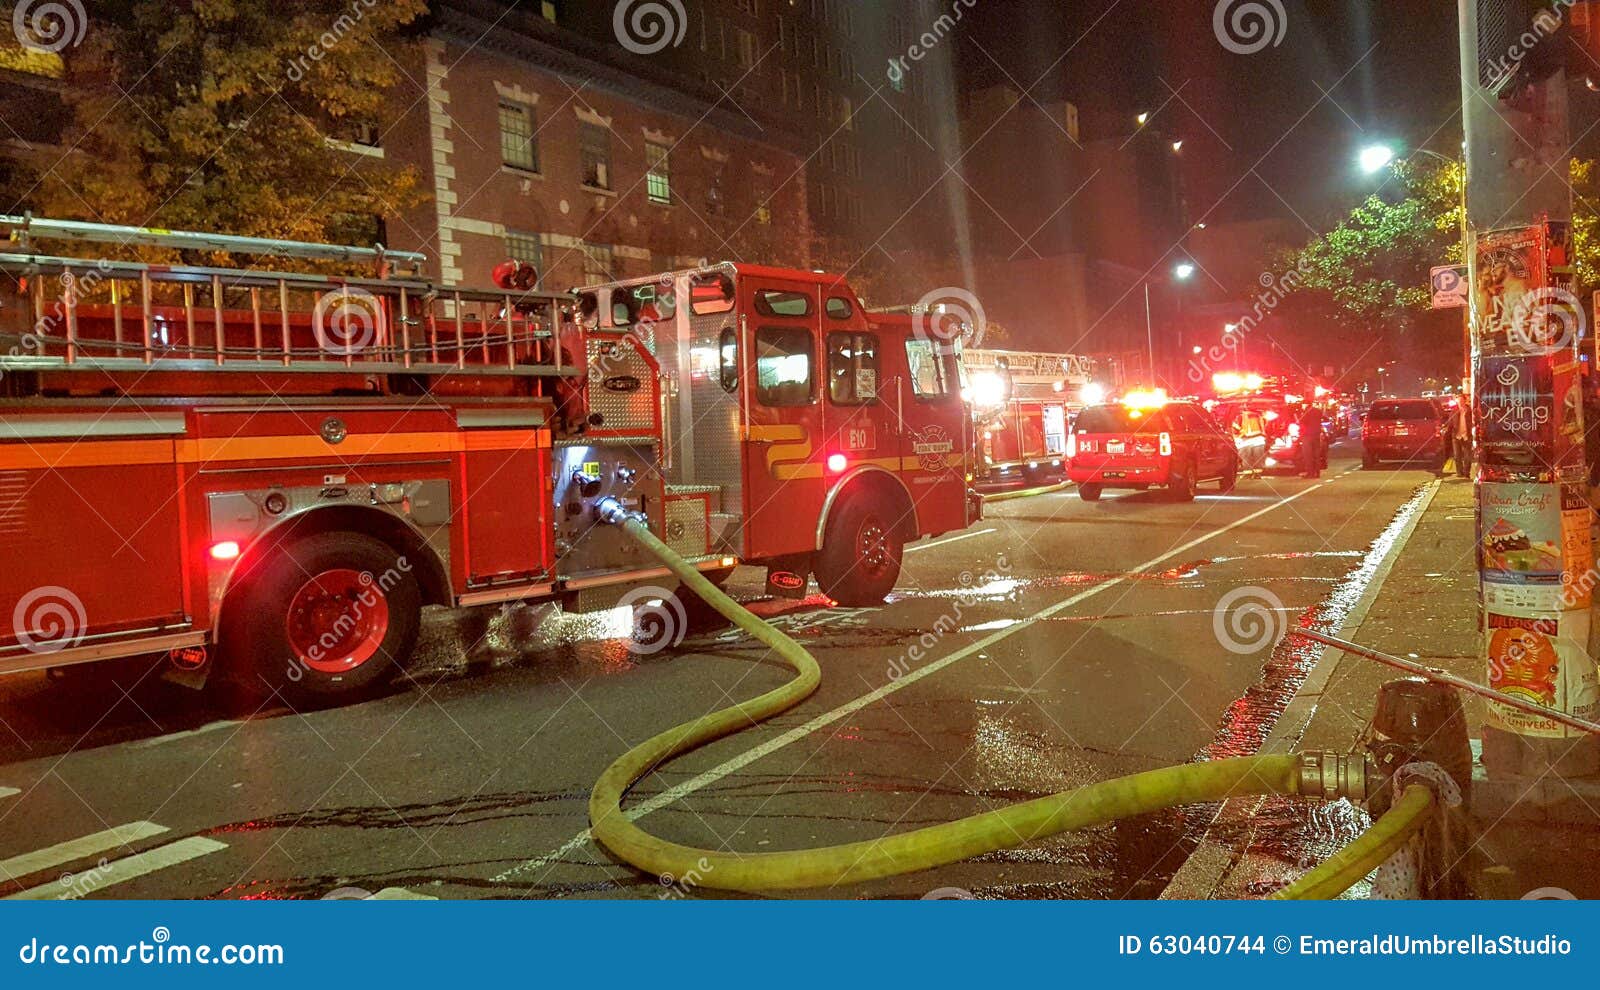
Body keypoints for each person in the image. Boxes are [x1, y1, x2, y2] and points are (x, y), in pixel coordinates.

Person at [1298, 403, 1324, 478]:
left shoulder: (1306, 412)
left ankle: (1310, 473)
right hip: (1317, 435)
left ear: (1306, 404)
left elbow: (1301, 421)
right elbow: (1324, 418)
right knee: (1316, 454)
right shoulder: (1318, 411)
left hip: (1308, 435)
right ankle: (1317, 473)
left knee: (1308, 455)